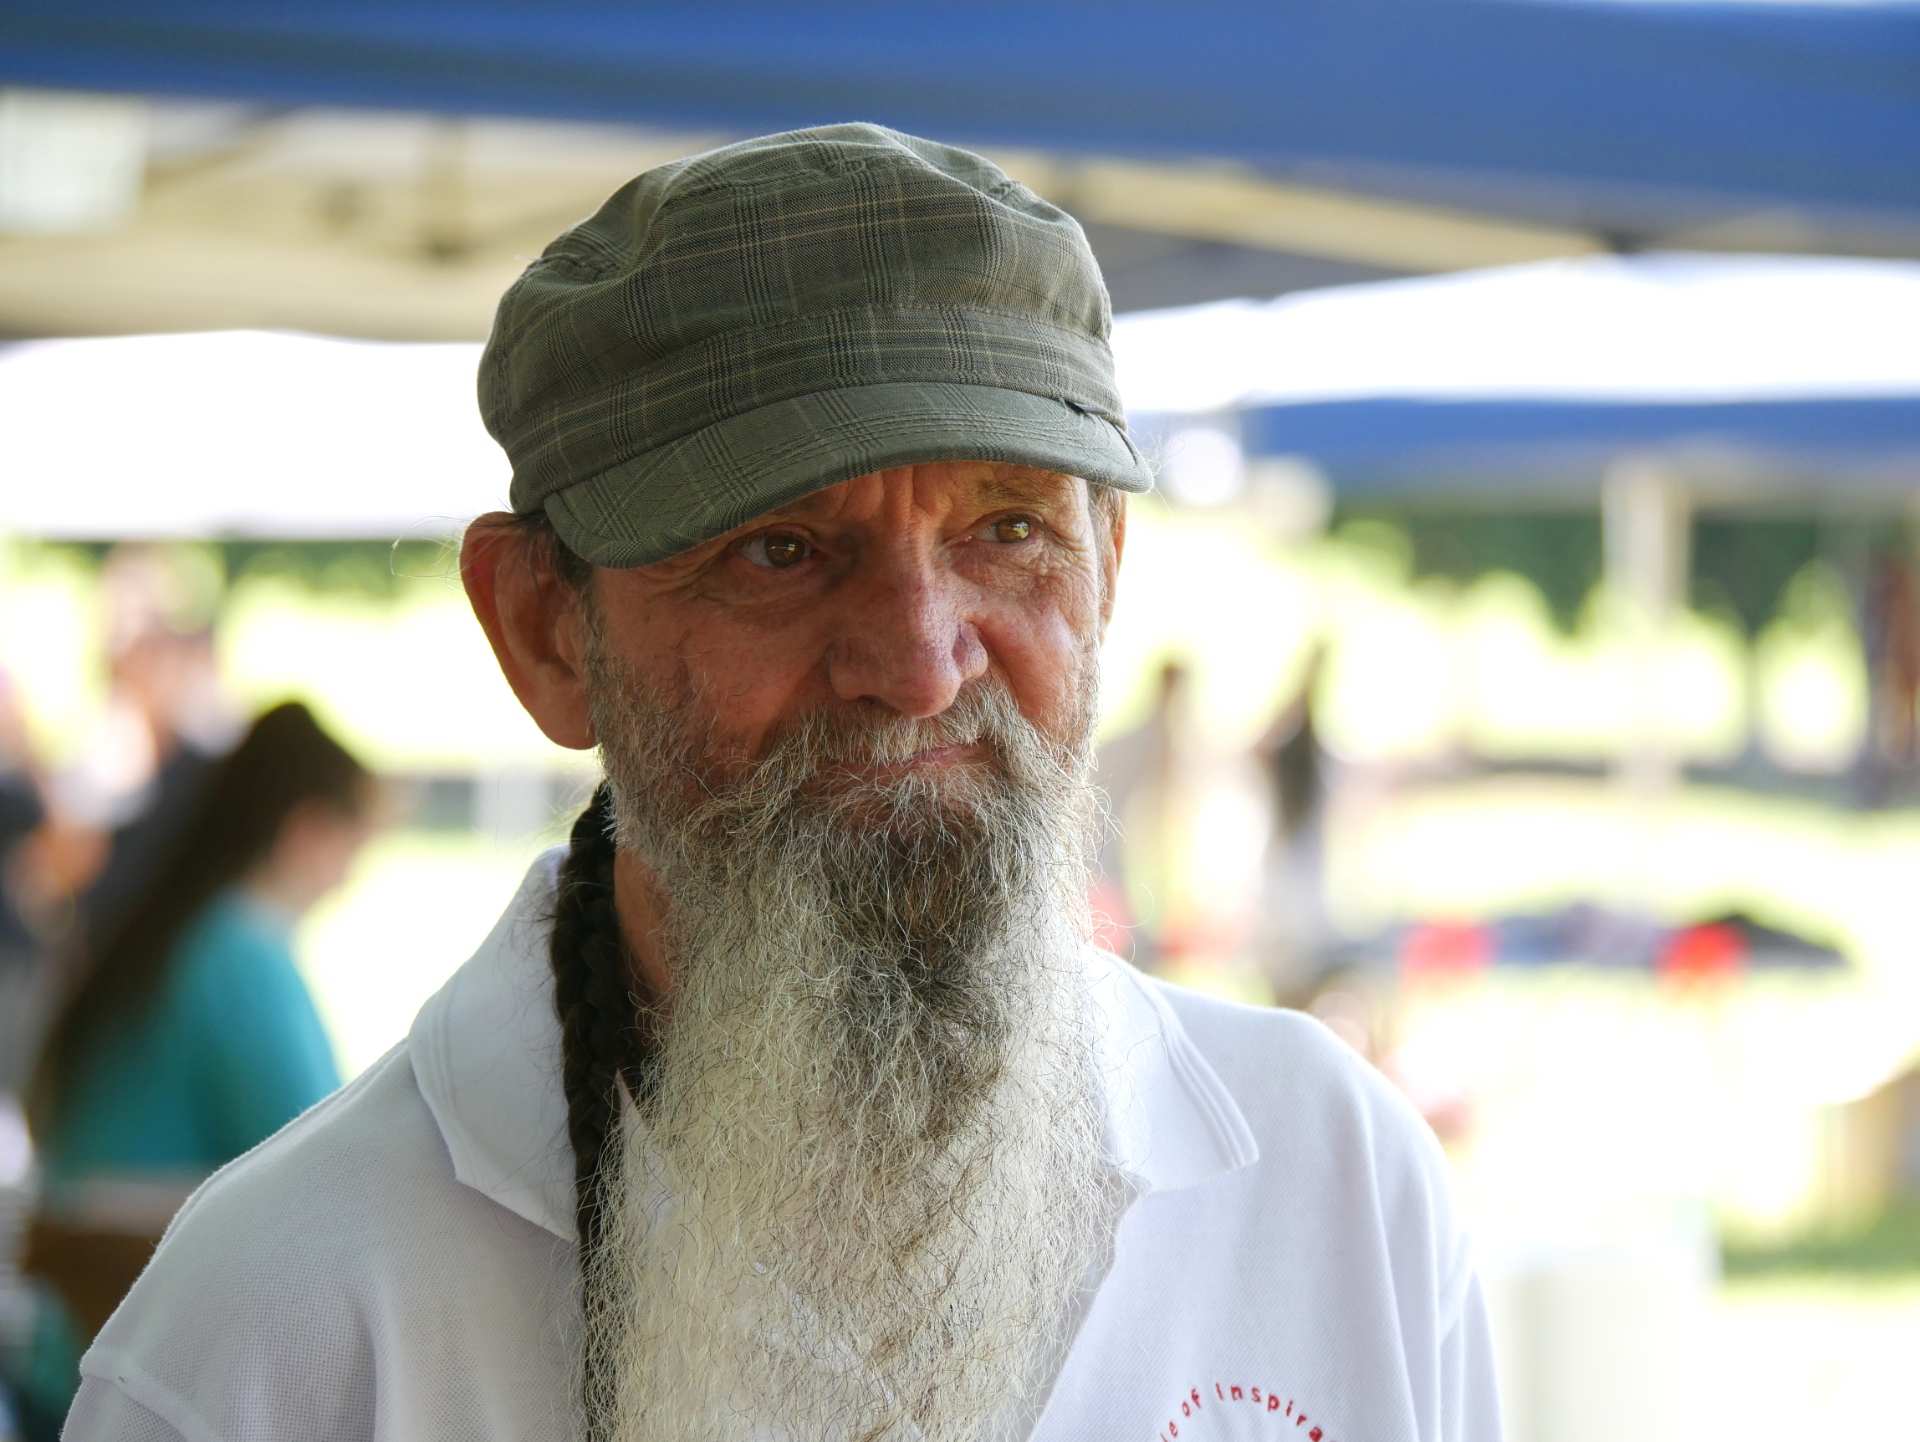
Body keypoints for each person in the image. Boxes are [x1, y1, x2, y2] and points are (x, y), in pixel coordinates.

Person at [64, 126, 1500, 1442]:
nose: (921, 663)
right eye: (781, 550)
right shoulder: (283, 1327)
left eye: (1008, 529)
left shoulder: (1333, 1186)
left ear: (1109, 567)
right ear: (547, 630)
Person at [13, 701, 371, 1437]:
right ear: (308, 829)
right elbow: (331, 1178)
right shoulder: (240, 955)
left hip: (74, 1359)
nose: (350, 879)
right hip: (152, 1378)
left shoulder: (170, 928)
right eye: (354, 846)